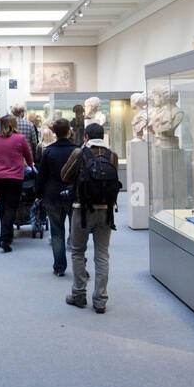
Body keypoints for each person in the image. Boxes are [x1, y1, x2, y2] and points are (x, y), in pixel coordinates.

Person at [60, 122, 121, 313]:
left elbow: (64, 176)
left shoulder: (80, 153)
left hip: (82, 209)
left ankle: (79, 294)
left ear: (86, 137)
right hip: (106, 211)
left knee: (78, 251)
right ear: (103, 136)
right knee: (102, 255)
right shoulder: (112, 155)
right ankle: (100, 300)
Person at [35, 117, 79, 277]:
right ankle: (79, 264)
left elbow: (42, 176)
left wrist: (38, 194)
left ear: (55, 133)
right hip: (73, 194)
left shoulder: (49, 152)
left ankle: (59, 267)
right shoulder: (77, 151)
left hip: (52, 195)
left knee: (56, 231)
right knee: (76, 231)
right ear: (69, 132)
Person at [0, 113, 34, 252]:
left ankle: (6, 235)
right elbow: (28, 155)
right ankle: (5, 238)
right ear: (14, 124)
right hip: (15, 176)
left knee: (3, 205)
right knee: (11, 207)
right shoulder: (20, 139)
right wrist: (30, 164)